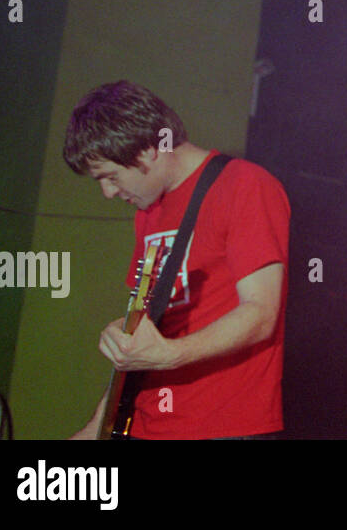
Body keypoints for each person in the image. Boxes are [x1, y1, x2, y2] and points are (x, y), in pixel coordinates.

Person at [64, 80, 290, 440]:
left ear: (149, 150)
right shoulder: (149, 211)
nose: (107, 193)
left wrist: (169, 354)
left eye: (110, 177)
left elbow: (261, 314)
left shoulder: (245, 185)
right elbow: (144, 331)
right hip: (147, 424)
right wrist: (96, 426)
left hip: (224, 427)